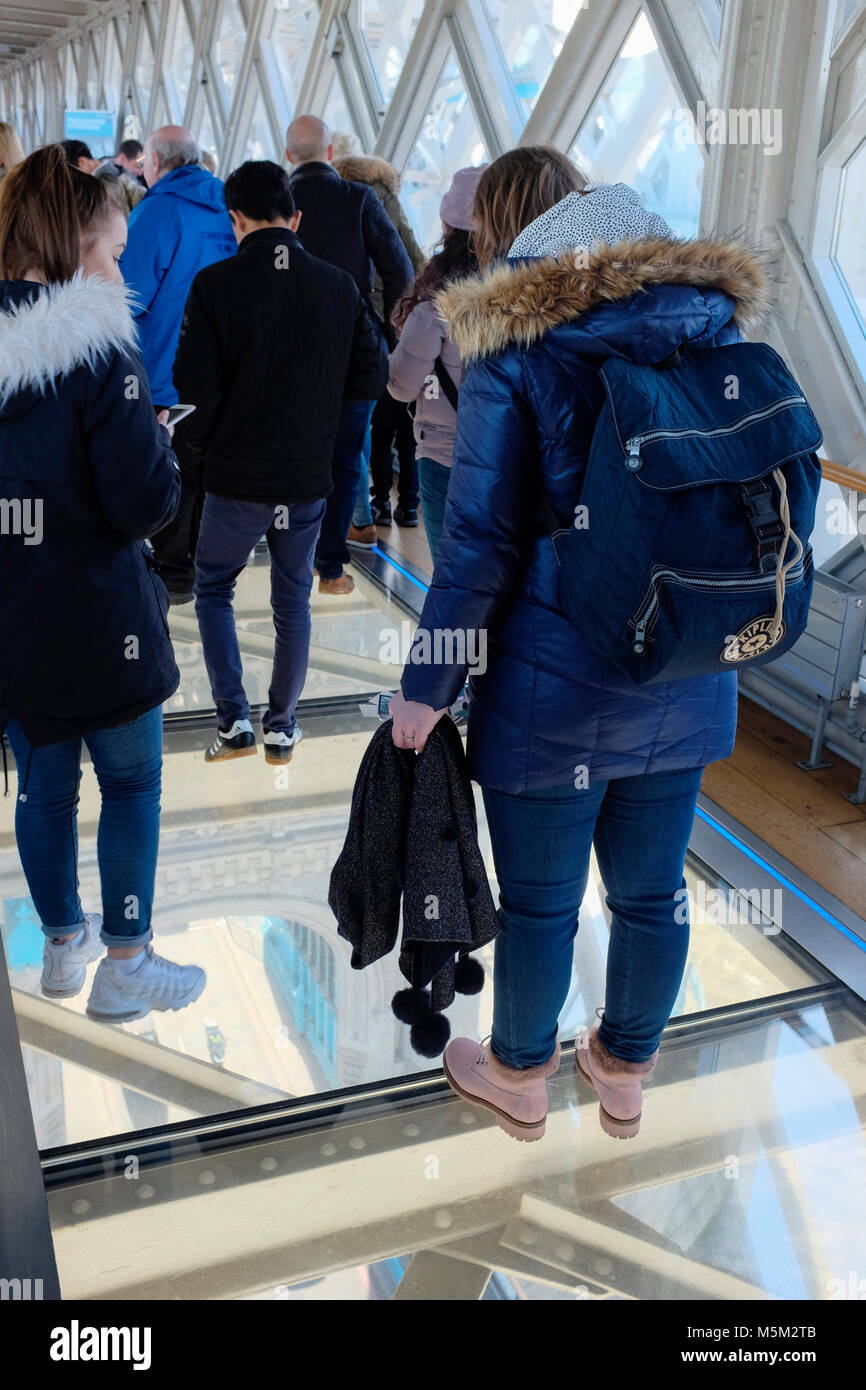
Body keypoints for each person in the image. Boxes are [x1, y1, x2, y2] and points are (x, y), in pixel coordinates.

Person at [389, 147, 755, 1141]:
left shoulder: (514, 341)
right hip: (685, 662)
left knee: (542, 902)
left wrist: (425, 686)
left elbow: (477, 547)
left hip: (552, 681)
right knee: (650, 893)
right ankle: (622, 1066)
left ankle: (516, 1074)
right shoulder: (707, 323)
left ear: (502, 232)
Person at [0, 145, 205, 1021]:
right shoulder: (97, 349)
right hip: (101, 619)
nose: (120, 271)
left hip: (13, 622)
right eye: (114, 255)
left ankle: (59, 944)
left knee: (43, 789)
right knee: (129, 785)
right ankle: (126, 962)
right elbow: (141, 504)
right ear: (76, 245)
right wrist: (157, 441)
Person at [173, 161, 388, 764]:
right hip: (304, 482)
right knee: (291, 600)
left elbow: (192, 386)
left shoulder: (214, 286)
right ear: (295, 218)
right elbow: (371, 375)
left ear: (234, 218)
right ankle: (281, 725)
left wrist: (208, 448)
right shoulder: (338, 285)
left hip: (237, 479)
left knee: (213, 587)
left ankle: (233, 720)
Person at [285, 115, 413, 594]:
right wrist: (384, 330)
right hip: (353, 348)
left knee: (295, 454)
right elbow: (400, 270)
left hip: (290, 351)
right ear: (331, 153)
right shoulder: (359, 199)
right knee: (344, 459)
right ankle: (331, 566)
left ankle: (288, 558)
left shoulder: (281, 201)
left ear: (288, 155)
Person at [120, 125, 236, 602]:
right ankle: (208, 566)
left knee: (171, 470)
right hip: (225, 370)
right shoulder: (229, 207)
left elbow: (126, 297)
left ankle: (173, 573)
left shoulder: (157, 211)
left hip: (166, 373)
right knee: (209, 471)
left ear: (157, 162)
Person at [387, 166, 484, 563]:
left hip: (447, 453)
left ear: (447, 226)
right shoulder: (529, 294)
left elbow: (401, 386)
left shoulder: (436, 306)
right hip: (513, 453)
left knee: (451, 574)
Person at [332, 138, 425, 546]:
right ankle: (401, 504)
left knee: (362, 421)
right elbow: (409, 257)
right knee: (395, 420)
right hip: (386, 325)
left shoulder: (341, 198)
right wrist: (397, 323)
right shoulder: (385, 196)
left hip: (347, 320)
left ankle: (369, 509)